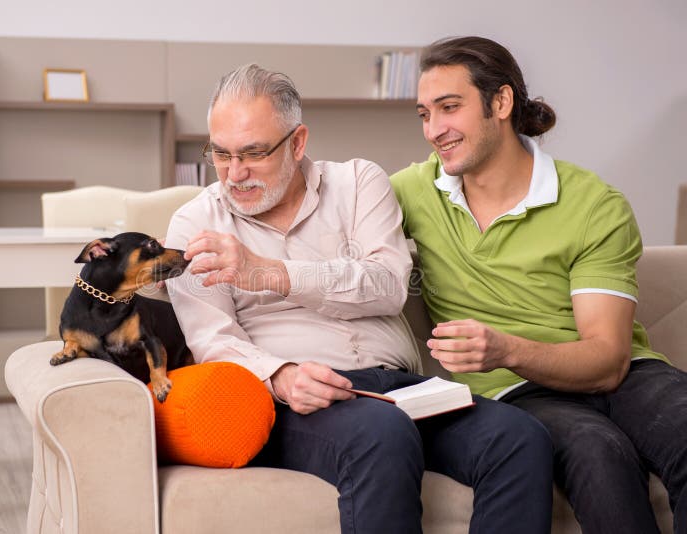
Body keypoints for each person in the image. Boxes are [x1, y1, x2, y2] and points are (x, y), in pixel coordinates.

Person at [164, 63, 553, 533]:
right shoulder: (194, 225)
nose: (235, 173)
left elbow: (388, 285)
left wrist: (268, 273)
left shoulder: (357, 183)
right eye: (221, 155)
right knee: (380, 433)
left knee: (520, 437)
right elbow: (211, 339)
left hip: (398, 388)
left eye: (253, 153)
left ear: (297, 142)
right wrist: (282, 376)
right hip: (297, 402)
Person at [391, 36, 687, 533]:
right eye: (424, 113)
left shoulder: (593, 204)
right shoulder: (412, 192)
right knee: (599, 454)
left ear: (501, 103)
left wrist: (505, 346)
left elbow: (608, 361)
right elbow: (323, 216)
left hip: (624, 373)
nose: (433, 130)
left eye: (449, 108)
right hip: (518, 393)